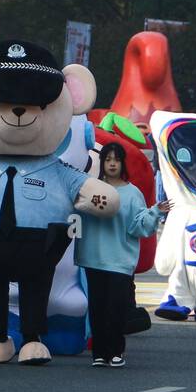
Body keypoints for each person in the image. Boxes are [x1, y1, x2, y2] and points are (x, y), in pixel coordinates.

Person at [77, 140, 169, 367]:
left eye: (116, 160)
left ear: (122, 163)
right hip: (94, 259)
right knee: (97, 308)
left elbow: (138, 227)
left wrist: (155, 212)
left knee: (116, 308)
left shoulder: (132, 193)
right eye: (107, 159)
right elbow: (76, 215)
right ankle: (99, 353)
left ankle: (116, 351)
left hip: (120, 261)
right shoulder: (91, 190)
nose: (112, 164)